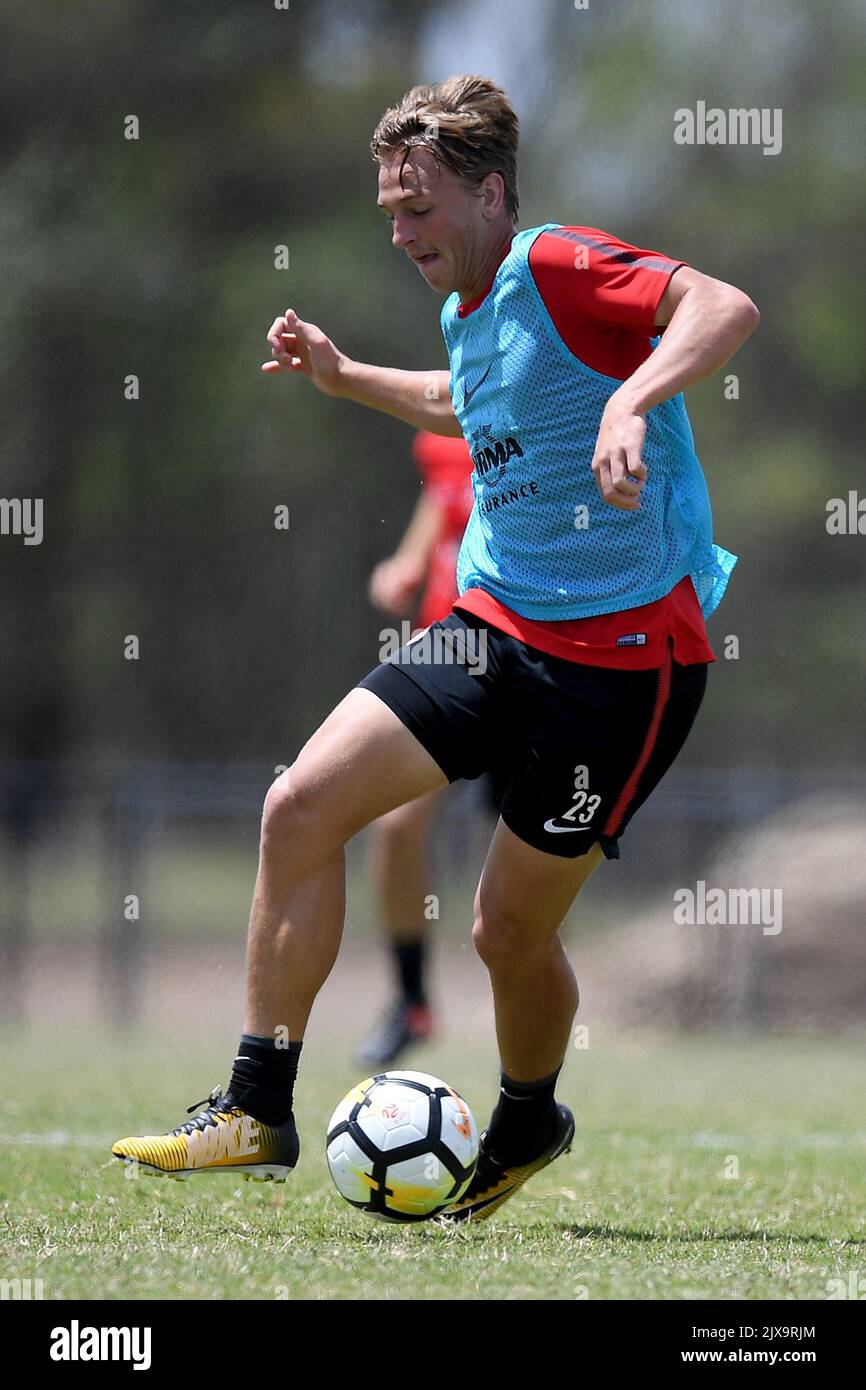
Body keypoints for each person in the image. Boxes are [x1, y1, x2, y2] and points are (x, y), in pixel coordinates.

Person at [113, 75, 759, 1222]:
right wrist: (340, 373)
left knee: (505, 932)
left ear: (491, 193)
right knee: (297, 805)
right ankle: (257, 1106)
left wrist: (633, 398)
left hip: (621, 665)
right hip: (491, 624)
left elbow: (722, 306)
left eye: (417, 209)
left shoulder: (557, 262)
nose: (400, 233)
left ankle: (526, 1117)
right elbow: (466, 405)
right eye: (388, 212)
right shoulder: (467, 310)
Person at [358, 430, 476, 1070]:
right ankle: (412, 1003)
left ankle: (534, 1034)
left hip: (530, 648)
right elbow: (444, 496)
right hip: (450, 652)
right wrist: (408, 561)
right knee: (396, 826)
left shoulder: (545, 396)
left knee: (530, 855)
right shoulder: (446, 424)